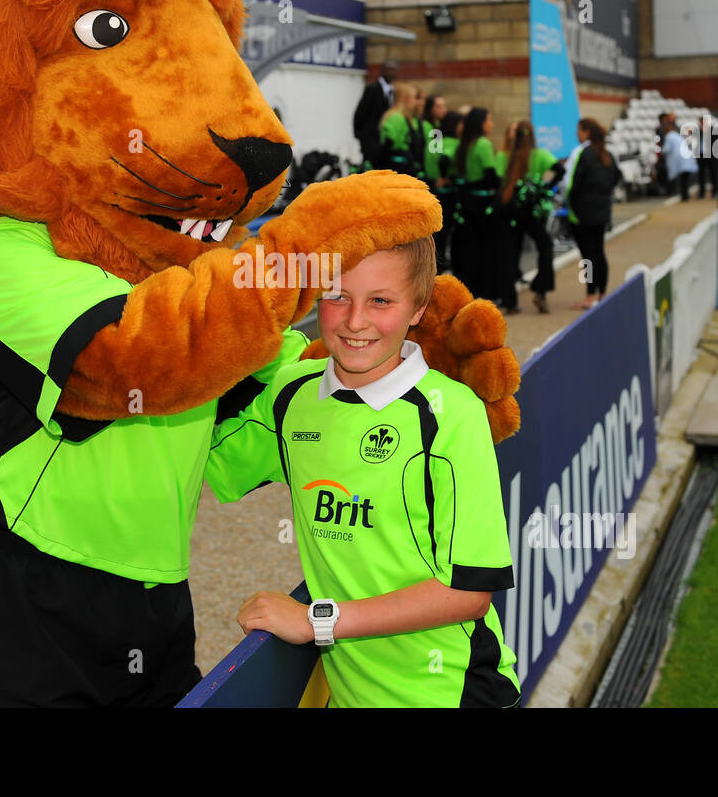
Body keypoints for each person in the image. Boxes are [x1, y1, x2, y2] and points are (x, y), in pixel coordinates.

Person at [204, 236, 521, 708]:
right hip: (351, 695)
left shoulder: (452, 413)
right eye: (337, 296)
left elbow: (469, 593)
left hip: (450, 692)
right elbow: (213, 463)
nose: (355, 321)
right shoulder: (293, 393)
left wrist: (317, 621)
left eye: (380, 301)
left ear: (418, 307)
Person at [499, 120, 558, 314]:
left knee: (511, 253)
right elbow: (561, 170)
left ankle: (510, 301)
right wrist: (543, 189)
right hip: (531, 210)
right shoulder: (539, 155)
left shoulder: (505, 156)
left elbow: (497, 180)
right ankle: (541, 290)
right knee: (546, 245)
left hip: (510, 210)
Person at [566, 117, 623, 310]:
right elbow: (617, 177)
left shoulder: (584, 153)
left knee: (588, 256)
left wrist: (572, 203)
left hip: (583, 213)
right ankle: (602, 293)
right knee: (599, 252)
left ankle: (590, 295)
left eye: (579, 130)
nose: (576, 134)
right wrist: (603, 195)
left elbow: (573, 183)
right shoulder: (607, 154)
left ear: (587, 132)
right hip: (602, 211)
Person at [449, 108, 503, 303]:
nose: (492, 124)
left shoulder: (464, 145)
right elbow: (490, 176)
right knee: (487, 249)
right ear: (481, 123)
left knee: (470, 249)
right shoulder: (483, 144)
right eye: (489, 119)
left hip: (467, 203)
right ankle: (487, 292)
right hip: (484, 204)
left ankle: (469, 291)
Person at [426, 107, 461, 273]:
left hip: (432, 188)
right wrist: (445, 176)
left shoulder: (435, 140)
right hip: (446, 192)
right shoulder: (453, 143)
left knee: (435, 231)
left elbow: (430, 159)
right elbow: (444, 159)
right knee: (444, 230)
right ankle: (439, 267)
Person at [353, 61, 397, 170]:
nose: (393, 73)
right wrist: (360, 134)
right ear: (382, 71)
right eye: (390, 70)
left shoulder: (393, 91)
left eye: (395, 70)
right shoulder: (372, 89)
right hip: (371, 138)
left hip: (384, 141)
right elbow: (360, 113)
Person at [376, 83, 422, 176]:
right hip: (396, 164)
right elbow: (388, 143)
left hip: (402, 162)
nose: (416, 102)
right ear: (405, 99)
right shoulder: (396, 117)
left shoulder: (406, 117)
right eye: (414, 98)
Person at [660, 115, 698, 199]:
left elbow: (666, 149)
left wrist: (661, 152)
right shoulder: (677, 135)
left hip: (682, 162)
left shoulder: (669, 136)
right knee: (685, 179)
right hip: (687, 160)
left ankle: (682, 195)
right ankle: (685, 195)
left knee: (682, 180)